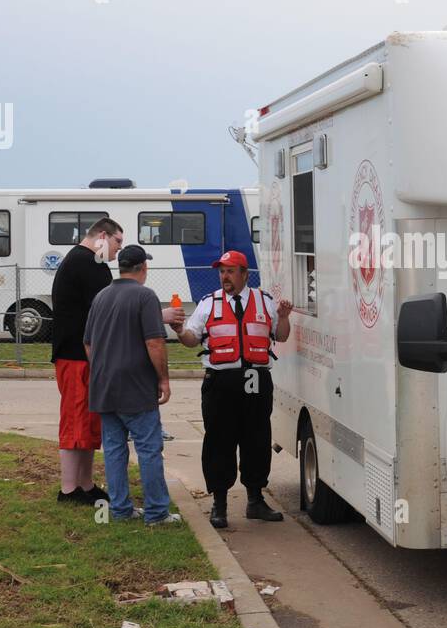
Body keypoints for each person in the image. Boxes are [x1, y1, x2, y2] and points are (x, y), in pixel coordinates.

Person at [172, 250, 292, 528]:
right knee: (219, 441)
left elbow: (281, 336)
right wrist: (179, 331)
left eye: (230, 271)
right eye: (221, 271)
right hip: (220, 381)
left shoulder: (265, 302)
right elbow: (192, 339)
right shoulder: (208, 303)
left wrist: (284, 317)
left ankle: (255, 500)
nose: (224, 276)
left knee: (257, 439)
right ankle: (220, 504)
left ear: (244, 274)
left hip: (255, 379)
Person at [84, 245, 181, 526]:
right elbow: (154, 341)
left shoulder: (101, 296)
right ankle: (156, 512)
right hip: (135, 385)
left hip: (103, 384)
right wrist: (163, 378)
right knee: (149, 448)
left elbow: (88, 343)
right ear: (142, 268)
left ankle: (120, 509)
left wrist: (104, 366)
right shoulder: (145, 296)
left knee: (114, 450)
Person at [49, 218, 120, 506]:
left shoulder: (86, 261)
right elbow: (108, 309)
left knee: (89, 422)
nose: (118, 250)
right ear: (102, 236)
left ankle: (85, 484)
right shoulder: (87, 262)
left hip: (83, 355)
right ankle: (69, 490)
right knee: (76, 420)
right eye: (117, 241)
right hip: (76, 356)